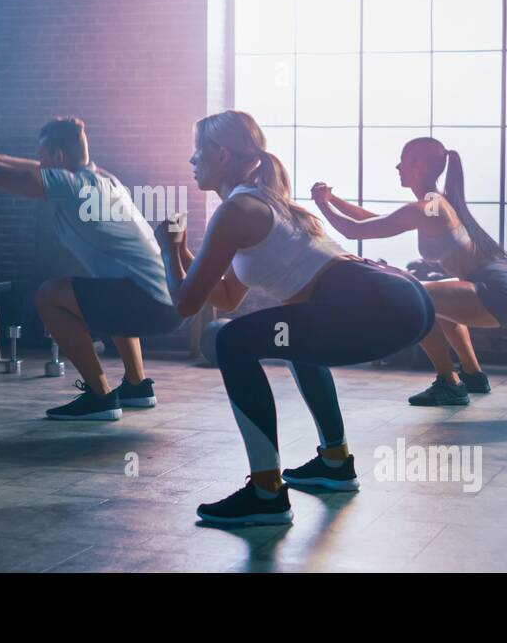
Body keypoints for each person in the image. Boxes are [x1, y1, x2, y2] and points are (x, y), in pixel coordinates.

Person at [156, 110, 435, 526]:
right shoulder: (265, 204)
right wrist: (181, 253)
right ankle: (335, 463)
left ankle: (266, 491)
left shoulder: (238, 210)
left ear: (221, 155)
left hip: (371, 299)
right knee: (292, 332)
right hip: (399, 297)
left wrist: (167, 248)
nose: (192, 161)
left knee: (231, 341)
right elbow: (228, 295)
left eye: (198, 151)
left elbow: (185, 304)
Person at [0, 117, 182, 421]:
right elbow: (34, 169)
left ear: (59, 157)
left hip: (149, 305)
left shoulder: (72, 186)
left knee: (49, 295)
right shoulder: (106, 179)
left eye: (42, 154)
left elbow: (0, 179)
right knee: (107, 283)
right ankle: (136, 386)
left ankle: (101, 396)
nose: (38, 162)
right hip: (171, 302)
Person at [310, 137, 507, 407]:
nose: (397, 167)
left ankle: (450, 384)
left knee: (417, 298)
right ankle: (473, 375)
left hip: (504, 292)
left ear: (419, 166)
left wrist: (321, 204)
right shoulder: (434, 204)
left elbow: (354, 230)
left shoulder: (430, 208)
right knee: (439, 300)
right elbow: (373, 220)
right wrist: (333, 198)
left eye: (402, 161)